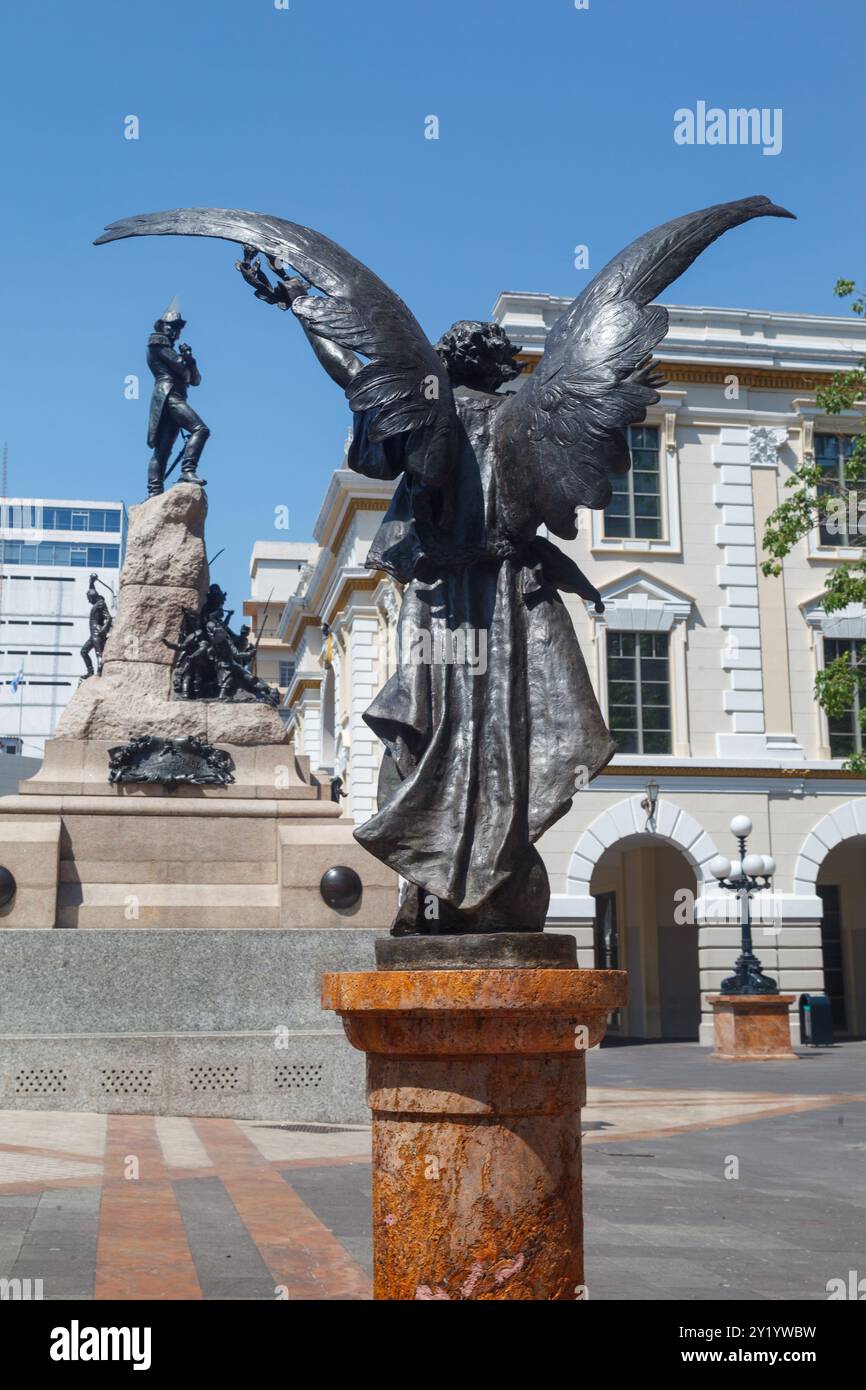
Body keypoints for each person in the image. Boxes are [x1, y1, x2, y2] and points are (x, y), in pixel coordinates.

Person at [146, 297, 210, 497]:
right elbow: (181, 368)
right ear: (162, 325)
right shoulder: (158, 342)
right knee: (200, 429)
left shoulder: (169, 348)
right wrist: (187, 361)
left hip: (171, 397)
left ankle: (155, 492)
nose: (175, 332)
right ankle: (187, 471)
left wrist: (191, 360)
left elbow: (195, 380)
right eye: (171, 326)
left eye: (177, 329)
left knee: (163, 449)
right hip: (170, 396)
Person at [80, 576, 113, 678]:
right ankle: (90, 671)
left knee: (99, 653)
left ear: (92, 598)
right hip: (93, 634)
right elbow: (92, 591)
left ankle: (100, 672)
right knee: (84, 651)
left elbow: (109, 618)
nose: (89, 601)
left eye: (89, 599)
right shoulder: (97, 602)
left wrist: (102, 631)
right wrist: (91, 581)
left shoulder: (101, 604)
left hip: (97, 633)